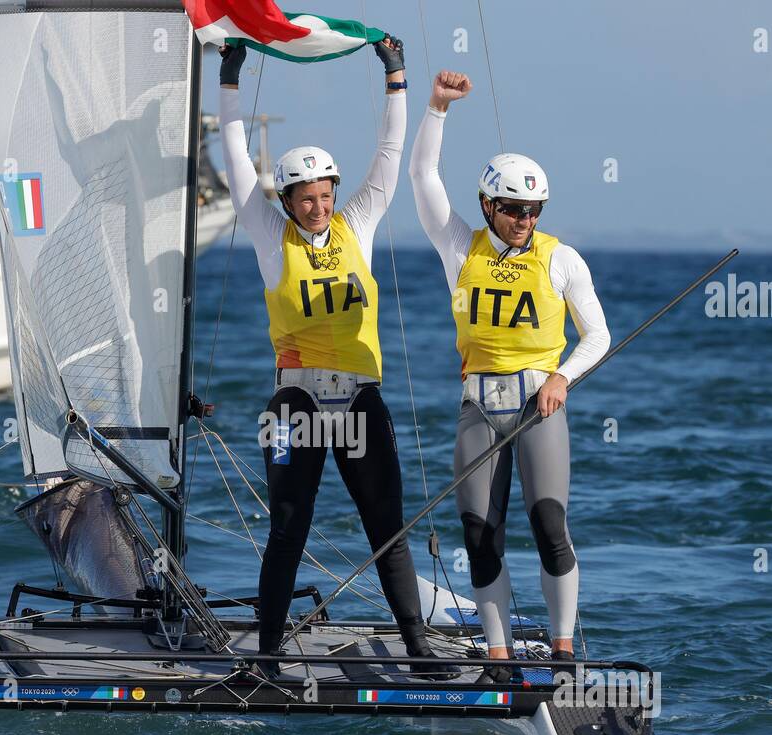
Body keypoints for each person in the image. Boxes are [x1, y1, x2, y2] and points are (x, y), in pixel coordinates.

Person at [219, 38, 458, 681]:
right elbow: (237, 157)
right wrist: (232, 74)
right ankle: (266, 657)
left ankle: (417, 652)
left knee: (387, 528)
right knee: (288, 529)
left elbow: (388, 155)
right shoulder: (270, 235)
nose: (318, 206)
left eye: (325, 195)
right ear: (288, 200)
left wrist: (395, 75)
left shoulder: (359, 221)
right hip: (294, 403)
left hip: (358, 400)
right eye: (305, 198)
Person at [408, 71, 612, 681]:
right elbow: (422, 178)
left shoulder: (562, 259)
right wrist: (437, 109)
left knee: (550, 523)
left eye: (534, 210)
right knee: (479, 532)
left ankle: (564, 649)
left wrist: (562, 378)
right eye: (514, 210)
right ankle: (498, 655)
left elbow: (597, 336)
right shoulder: (458, 248)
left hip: (537, 407)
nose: (525, 219)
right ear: (489, 207)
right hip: (478, 406)